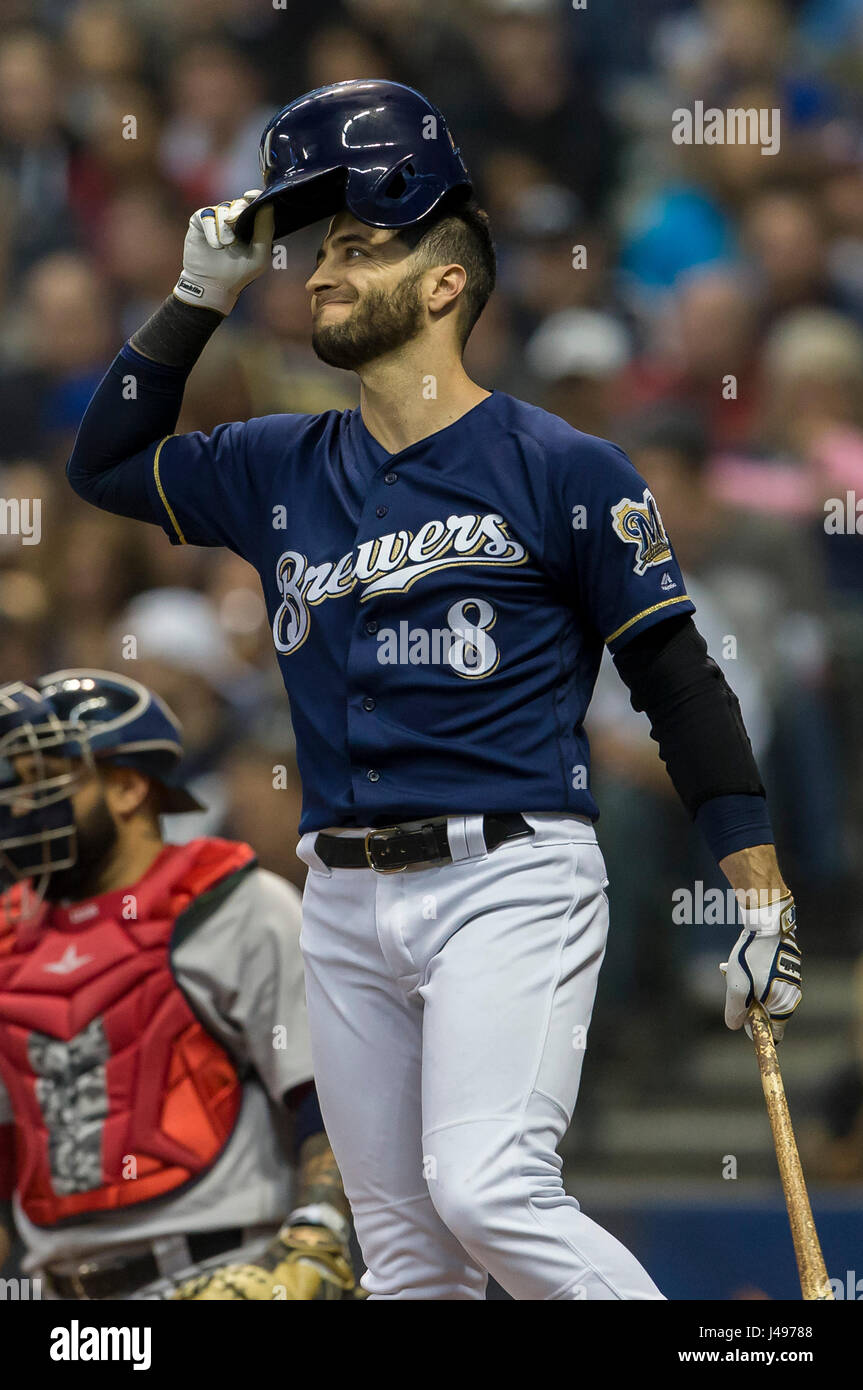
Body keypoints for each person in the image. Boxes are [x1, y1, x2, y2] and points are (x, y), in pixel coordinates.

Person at [65, 80, 802, 1300]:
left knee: (487, 1189)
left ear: (445, 280)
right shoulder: (275, 463)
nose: (321, 272)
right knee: (405, 1262)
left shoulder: (561, 465)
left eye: (359, 247)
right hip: (342, 895)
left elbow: (674, 676)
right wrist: (199, 296)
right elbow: (100, 465)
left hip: (507, 872)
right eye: (319, 252)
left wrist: (754, 881)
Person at [0, 671, 358, 1300]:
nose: (25, 806)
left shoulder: (235, 905)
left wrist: (317, 1231)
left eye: (49, 779)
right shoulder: (8, 939)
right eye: (21, 784)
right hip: (53, 1297)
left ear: (129, 787)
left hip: (227, 1274)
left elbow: (327, 1094)